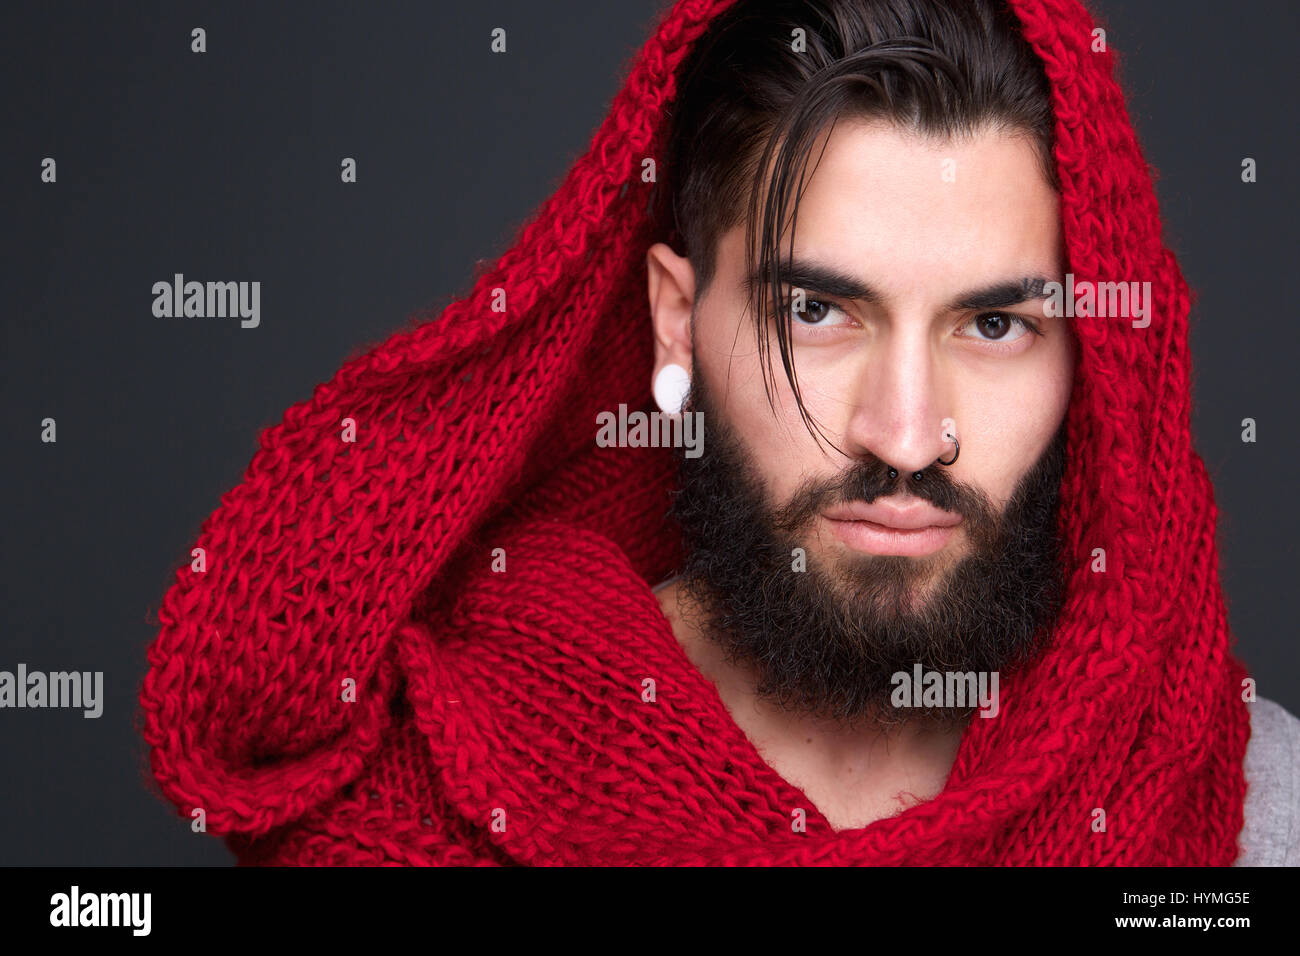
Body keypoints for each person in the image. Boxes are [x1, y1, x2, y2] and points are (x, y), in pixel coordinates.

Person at [139, 0, 1299, 865]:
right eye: (815, 311)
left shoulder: (1251, 806)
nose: (903, 433)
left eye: (992, 322)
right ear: (678, 324)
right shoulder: (438, 775)